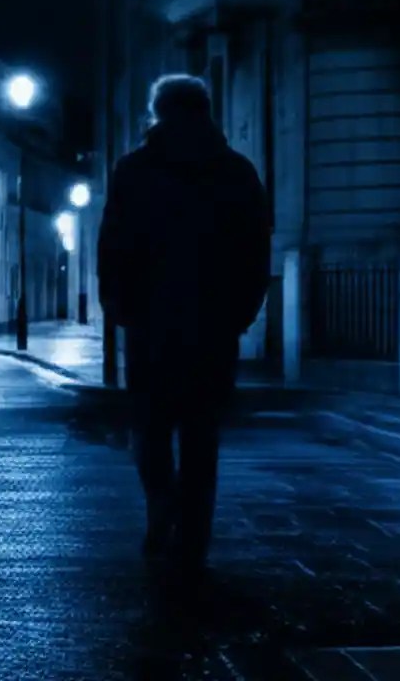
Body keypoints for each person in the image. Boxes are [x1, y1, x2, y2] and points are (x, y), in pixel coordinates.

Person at [97, 74, 273, 577]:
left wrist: (120, 306)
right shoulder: (237, 172)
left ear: (157, 111)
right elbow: (254, 252)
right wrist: (240, 313)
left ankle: (160, 506)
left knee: (151, 427)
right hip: (213, 323)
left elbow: (112, 246)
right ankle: (193, 537)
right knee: (202, 434)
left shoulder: (133, 171)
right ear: (206, 110)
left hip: (150, 321)